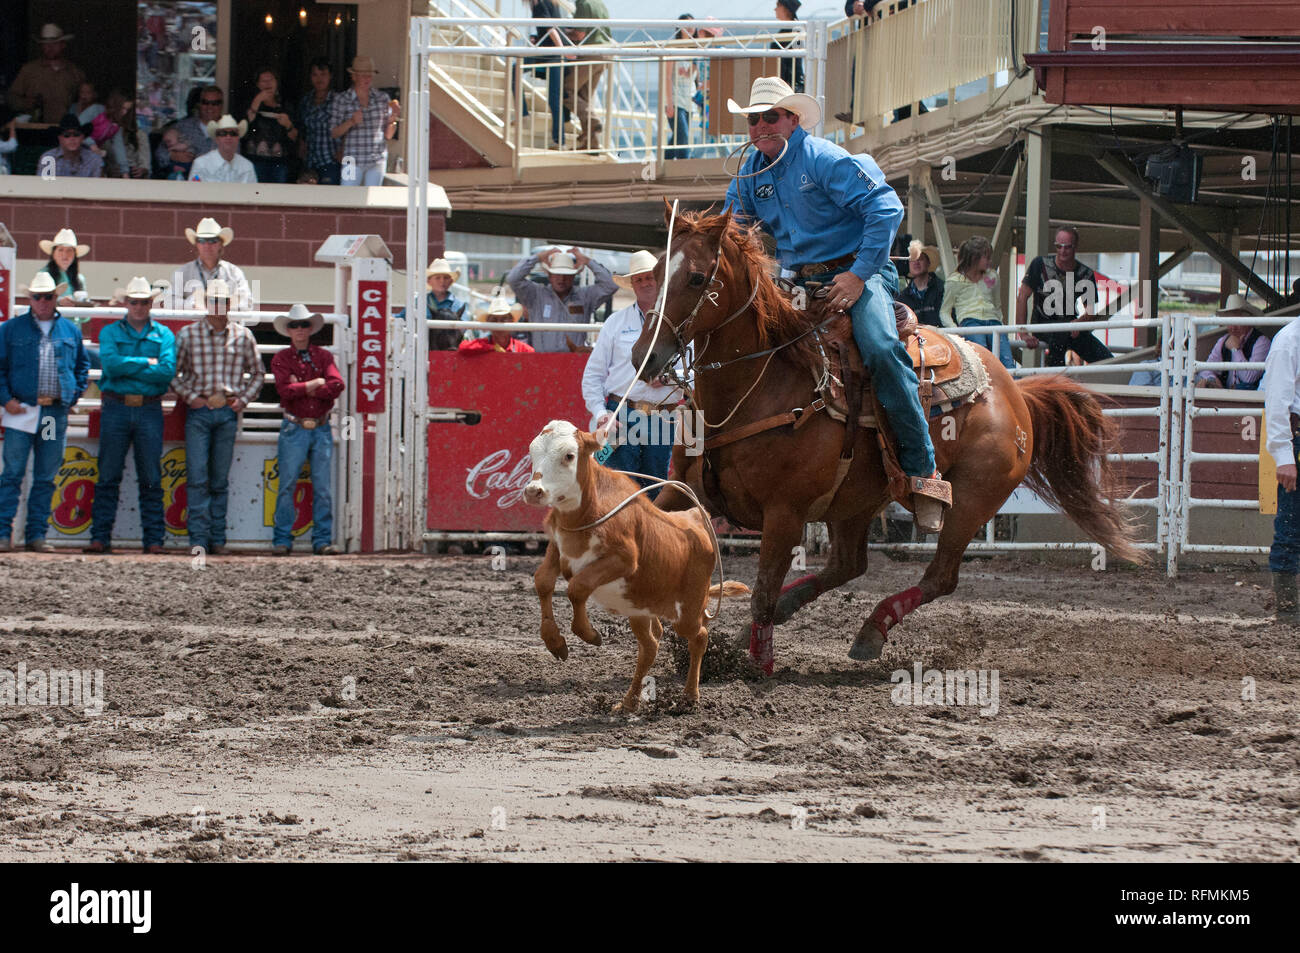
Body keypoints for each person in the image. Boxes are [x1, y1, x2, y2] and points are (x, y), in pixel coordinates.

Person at [723, 76, 950, 532]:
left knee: (883, 350)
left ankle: (924, 474)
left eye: (771, 116)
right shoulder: (751, 171)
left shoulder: (824, 159)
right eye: (754, 118)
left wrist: (857, 275)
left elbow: (886, 208)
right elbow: (733, 228)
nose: (762, 125)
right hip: (798, 282)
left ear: (792, 119)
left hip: (859, 273)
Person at [170, 278, 264, 556]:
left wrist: (242, 401)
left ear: (229, 304)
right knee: (200, 476)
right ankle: (201, 538)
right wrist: (192, 398)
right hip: (200, 409)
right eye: (214, 301)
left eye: (223, 301)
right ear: (207, 304)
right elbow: (172, 374)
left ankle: (215, 538)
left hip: (225, 409)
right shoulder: (188, 335)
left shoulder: (243, 336)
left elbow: (258, 373)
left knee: (218, 478)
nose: (219, 306)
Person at [84, 276, 177, 555]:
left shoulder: (160, 334)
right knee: (110, 474)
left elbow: (167, 370)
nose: (138, 306)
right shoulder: (154, 335)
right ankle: (109, 537)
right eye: (134, 302)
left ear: (151, 303)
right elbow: (111, 366)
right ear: (127, 303)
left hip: (140, 407)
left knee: (149, 475)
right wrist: (148, 363)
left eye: (143, 302)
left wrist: (130, 366)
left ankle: (150, 539)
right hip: (124, 406)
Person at [0, 271, 90, 552]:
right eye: (37, 297)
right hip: (22, 410)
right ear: (30, 298)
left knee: (44, 475)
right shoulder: (10, 329)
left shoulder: (70, 331)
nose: (42, 301)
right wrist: (5, 400)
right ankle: (5, 532)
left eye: (47, 297)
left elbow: (81, 368)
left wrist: (71, 394)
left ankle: (36, 534)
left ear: (55, 298)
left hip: (50, 412)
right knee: (13, 472)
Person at [581, 250, 684, 492]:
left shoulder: (679, 323)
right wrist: (601, 414)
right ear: (632, 285)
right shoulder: (615, 323)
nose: (645, 283)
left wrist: (672, 378)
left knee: (656, 486)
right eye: (638, 279)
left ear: (659, 280)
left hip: (664, 416)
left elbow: (695, 371)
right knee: (620, 486)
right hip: (621, 414)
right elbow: (592, 376)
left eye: (649, 277)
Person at [270, 304, 345, 556]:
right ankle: (289, 539)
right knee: (289, 484)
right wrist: (315, 383)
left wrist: (300, 386)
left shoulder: (322, 356)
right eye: (294, 325)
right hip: (300, 425)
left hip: (311, 426)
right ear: (289, 330)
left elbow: (337, 384)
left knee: (320, 487)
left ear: (310, 328)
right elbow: (283, 391)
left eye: (302, 325)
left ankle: (314, 540)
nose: (299, 329)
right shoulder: (284, 358)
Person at [1017, 225, 1114, 367]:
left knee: (1105, 359)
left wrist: (1079, 322)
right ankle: (1058, 382)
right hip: (1044, 325)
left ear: (1075, 247)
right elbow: (1022, 297)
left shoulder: (1085, 273)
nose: (1062, 251)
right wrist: (1023, 333)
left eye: (1067, 247)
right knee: (1059, 341)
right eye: (1058, 246)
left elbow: (1091, 311)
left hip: (1070, 327)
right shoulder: (1039, 264)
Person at [507, 246, 616, 352]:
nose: (562, 279)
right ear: (549, 275)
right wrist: (538, 257)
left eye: (566, 275)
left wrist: (587, 261)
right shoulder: (536, 294)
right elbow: (513, 279)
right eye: (557, 274)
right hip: (542, 361)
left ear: (573, 277)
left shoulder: (585, 296)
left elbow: (612, 285)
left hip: (573, 361)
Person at [1264, 313, 1300, 623]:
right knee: (1291, 525)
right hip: (1297, 440)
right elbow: (1277, 402)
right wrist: (1284, 455)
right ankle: (1288, 611)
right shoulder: (1289, 340)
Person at [939, 235, 1015, 370]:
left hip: (993, 322)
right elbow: (945, 311)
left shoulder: (993, 276)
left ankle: (1014, 388)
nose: (989, 261)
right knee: (981, 359)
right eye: (986, 257)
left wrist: (1000, 322)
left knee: (1007, 362)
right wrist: (955, 330)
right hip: (970, 322)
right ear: (974, 258)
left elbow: (997, 305)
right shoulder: (954, 281)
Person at [329, 57, 400, 186]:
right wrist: (351, 121)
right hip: (351, 160)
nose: (367, 79)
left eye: (370, 75)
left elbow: (388, 135)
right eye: (363, 76)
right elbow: (334, 133)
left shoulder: (382, 98)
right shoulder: (342, 99)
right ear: (354, 77)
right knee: (347, 196)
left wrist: (393, 119)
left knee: (373, 198)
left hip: (376, 160)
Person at [8, 24, 86, 123]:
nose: (50, 47)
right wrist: (25, 103)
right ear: (41, 46)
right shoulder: (29, 70)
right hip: (35, 129)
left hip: (65, 131)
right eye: (45, 44)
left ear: (63, 45)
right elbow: (11, 97)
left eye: (55, 43)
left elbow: (86, 100)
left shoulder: (75, 72)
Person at [175, 217, 252, 311]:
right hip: (194, 324)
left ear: (221, 244)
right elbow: (170, 301)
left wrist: (223, 306)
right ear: (196, 244)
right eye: (202, 241)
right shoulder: (183, 272)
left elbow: (247, 303)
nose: (207, 245)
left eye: (212, 241)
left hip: (226, 324)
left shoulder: (234, 273)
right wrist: (193, 305)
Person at [1195, 294, 1270, 391]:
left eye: (1237, 322)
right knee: (1196, 380)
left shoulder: (1262, 342)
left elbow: (1249, 378)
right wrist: (1212, 379)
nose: (1232, 327)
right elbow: (1207, 368)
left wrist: (1236, 350)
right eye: (1229, 322)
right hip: (1226, 393)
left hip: (1250, 397)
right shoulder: (1223, 340)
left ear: (1249, 321)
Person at [565, 0, 610, 150]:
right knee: (584, 97)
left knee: (565, 91)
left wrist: (562, 33)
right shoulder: (599, 4)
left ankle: (593, 120)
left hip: (590, 54)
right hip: (605, 53)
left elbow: (579, 34)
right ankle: (592, 144)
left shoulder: (583, 4)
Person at [242, 68, 298, 184]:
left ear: (276, 83)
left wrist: (288, 124)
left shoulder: (285, 105)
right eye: (263, 81)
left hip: (280, 163)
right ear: (257, 84)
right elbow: (245, 126)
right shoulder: (251, 103)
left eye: (271, 80)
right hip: (256, 161)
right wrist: (257, 101)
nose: (268, 84)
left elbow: (295, 136)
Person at [526, 0, 568, 148]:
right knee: (555, 97)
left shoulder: (540, 4)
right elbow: (551, 28)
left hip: (552, 54)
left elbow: (551, 29)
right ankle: (559, 139)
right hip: (550, 52)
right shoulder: (551, 3)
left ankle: (559, 140)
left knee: (554, 98)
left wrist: (562, 50)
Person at [152, 85, 221, 173]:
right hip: (185, 182)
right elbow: (159, 154)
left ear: (221, 105)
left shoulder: (229, 131)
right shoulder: (182, 126)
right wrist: (172, 155)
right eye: (205, 102)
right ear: (199, 104)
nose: (209, 107)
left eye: (215, 103)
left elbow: (234, 159)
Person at [298, 57, 340, 184]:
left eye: (323, 74)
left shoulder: (338, 100)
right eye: (315, 74)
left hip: (330, 160)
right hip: (311, 161)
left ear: (330, 76)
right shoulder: (306, 100)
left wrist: (342, 150)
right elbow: (302, 127)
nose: (319, 79)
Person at [666, 17, 699, 160]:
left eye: (692, 25)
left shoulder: (697, 50)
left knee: (677, 138)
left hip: (689, 100)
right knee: (683, 138)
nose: (690, 28)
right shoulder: (673, 49)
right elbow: (667, 77)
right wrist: (669, 104)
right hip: (676, 100)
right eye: (686, 25)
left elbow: (696, 77)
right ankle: (684, 167)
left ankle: (663, 162)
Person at [189, 114, 257, 183]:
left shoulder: (247, 166)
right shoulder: (201, 164)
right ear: (216, 139)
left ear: (238, 138)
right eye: (223, 133)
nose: (228, 137)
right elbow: (194, 191)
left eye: (233, 133)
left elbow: (253, 193)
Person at [102, 89, 150, 179]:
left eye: (128, 110)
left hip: (131, 177)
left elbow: (146, 165)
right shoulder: (101, 130)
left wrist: (142, 170)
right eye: (122, 108)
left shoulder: (139, 134)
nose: (124, 113)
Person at [458, 298, 536, 353]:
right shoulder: (482, 344)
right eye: (494, 320)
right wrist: (492, 348)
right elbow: (462, 347)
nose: (499, 324)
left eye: (504, 319)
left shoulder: (524, 350)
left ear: (512, 322)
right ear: (488, 323)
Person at [425, 259, 471, 350]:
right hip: (422, 352)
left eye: (446, 278)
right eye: (437, 277)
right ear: (429, 281)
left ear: (451, 281)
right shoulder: (418, 302)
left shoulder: (458, 304)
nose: (442, 281)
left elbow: (464, 328)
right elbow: (401, 317)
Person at [39, 228, 92, 307]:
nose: (65, 255)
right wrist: (59, 302)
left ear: (75, 255)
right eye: (60, 250)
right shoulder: (43, 275)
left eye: (69, 250)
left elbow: (84, 317)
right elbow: (39, 302)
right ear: (53, 254)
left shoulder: (79, 279)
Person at [39, 113, 103, 178]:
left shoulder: (94, 160)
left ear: (82, 137)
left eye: (76, 134)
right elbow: (45, 186)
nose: (72, 139)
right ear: (60, 138)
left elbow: (97, 187)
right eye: (66, 135)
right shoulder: (48, 159)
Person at [898, 239, 943, 328]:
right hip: (915, 339)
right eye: (912, 260)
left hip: (942, 338)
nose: (916, 263)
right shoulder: (902, 297)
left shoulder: (942, 289)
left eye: (920, 259)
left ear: (928, 263)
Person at [771, 0, 805, 93]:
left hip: (789, 84)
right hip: (786, 83)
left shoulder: (796, 30)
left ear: (785, 9)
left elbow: (797, 58)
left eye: (778, 6)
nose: (775, 9)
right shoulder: (793, 29)